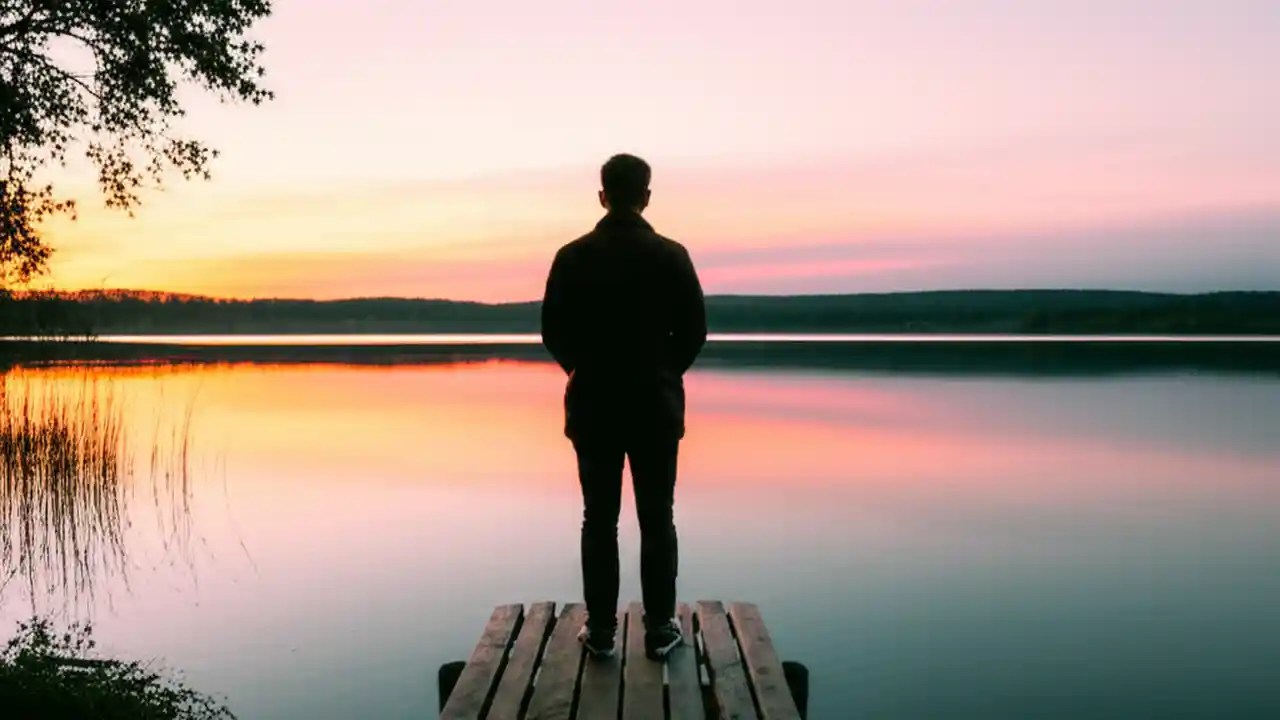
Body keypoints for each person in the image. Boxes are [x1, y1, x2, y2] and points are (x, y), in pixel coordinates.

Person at [541, 153, 707, 661]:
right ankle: (660, 630)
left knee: (599, 519)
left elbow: (554, 333)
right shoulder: (671, 255)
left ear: (602, 195)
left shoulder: (572, 256)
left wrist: (584, 370)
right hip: (655, 407)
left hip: (593, 407)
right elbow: (694, 333)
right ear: (647, 196)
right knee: (658, 517)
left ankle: (603, 630)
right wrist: (661, 372)